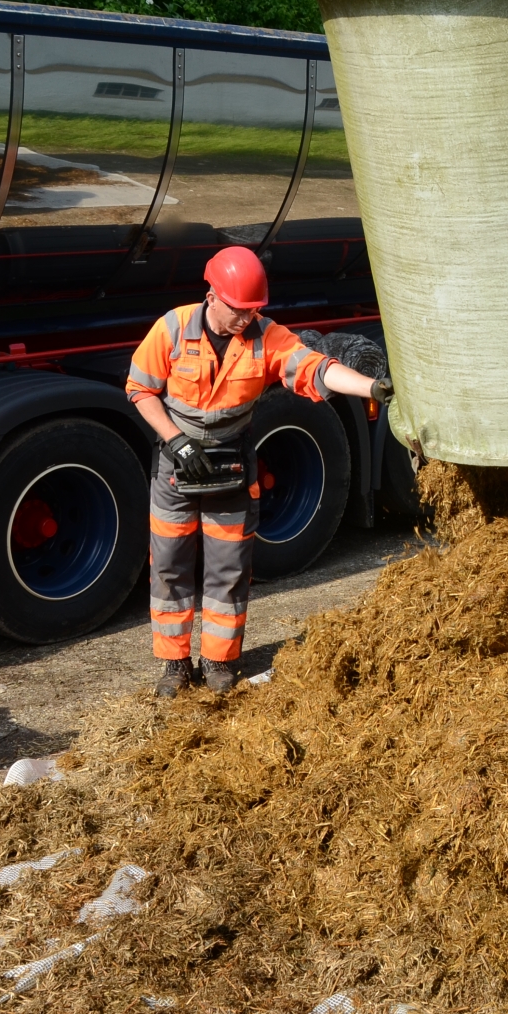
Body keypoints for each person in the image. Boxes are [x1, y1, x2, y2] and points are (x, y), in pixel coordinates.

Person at [126, 246, 394, 698]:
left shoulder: (265, 336)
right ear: (212, 295)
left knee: (228, 570)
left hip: (232, 466)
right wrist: (177, 440)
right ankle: (174, 665)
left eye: (253, 311)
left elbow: (317, 370)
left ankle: (218, 660)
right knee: (169, 567)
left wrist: (371, 386)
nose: (245, 319)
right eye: (238, 309)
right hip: (178, 464)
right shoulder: (171, 328)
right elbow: (140, 389)